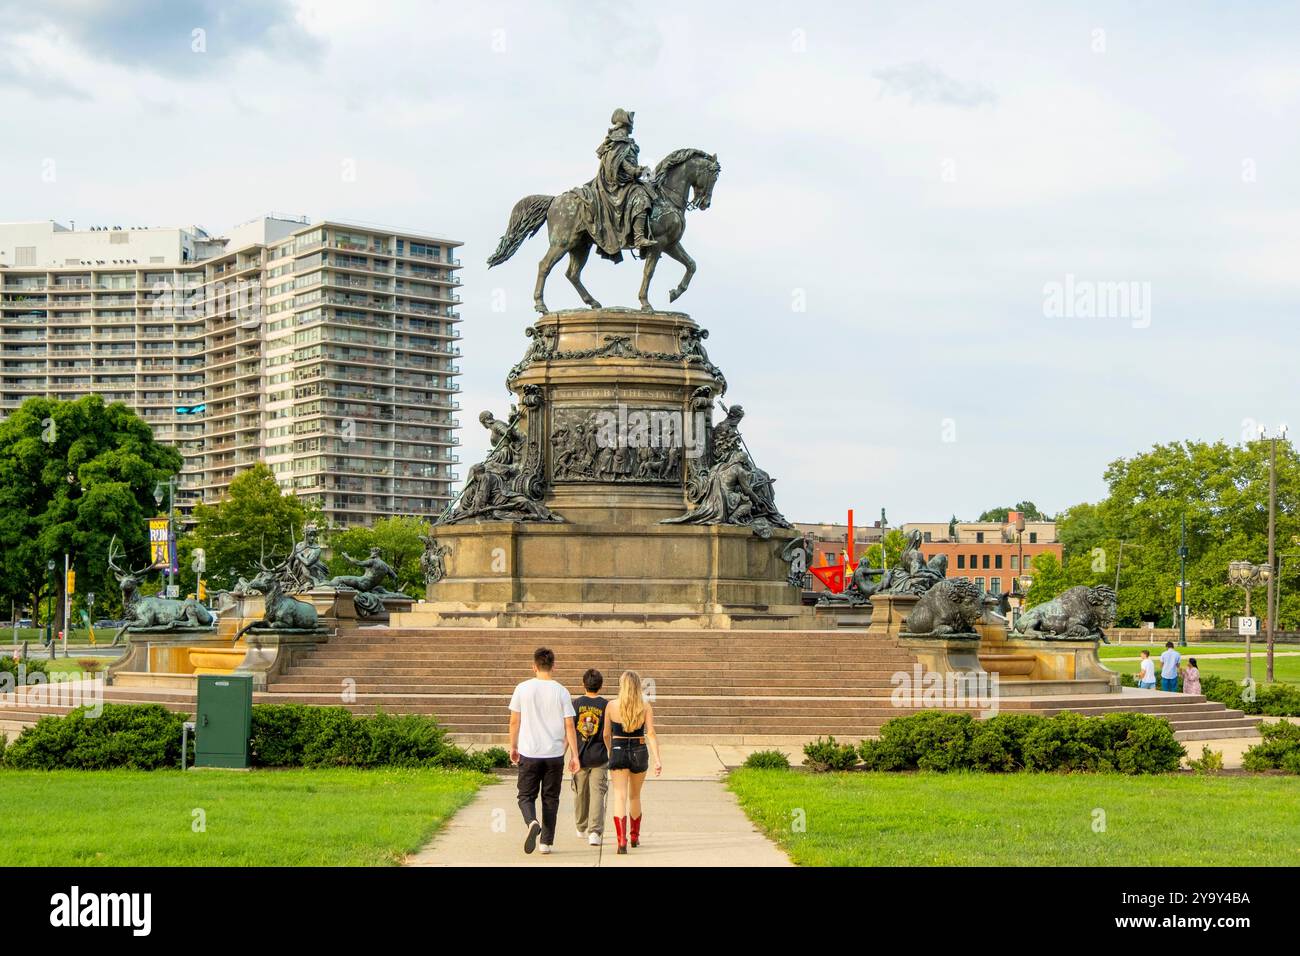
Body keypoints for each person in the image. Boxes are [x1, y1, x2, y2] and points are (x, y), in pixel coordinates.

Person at [509, 647, 579, 856]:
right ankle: (546, 843)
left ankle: (532, 821)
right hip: (554, 754)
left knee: (525, 796)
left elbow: (514, 721)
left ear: (534, 666)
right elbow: (569, 726)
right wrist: (575, 755)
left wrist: (513, 746)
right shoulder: (561, 691)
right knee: (551, 799)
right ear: (553, 666)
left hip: (529, 751)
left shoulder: (522, 688)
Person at [602, 670, 662, 855]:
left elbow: (605, 734)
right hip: (639, 749)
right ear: (637, 686)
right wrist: (657, 759)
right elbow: (650, 733)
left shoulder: (611, 706)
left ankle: (621, 841)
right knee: (635, 796)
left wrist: (610, 749)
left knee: (619, 796)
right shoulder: (645, 706)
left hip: (618, 748)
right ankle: (634, 836)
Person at [572, 668, 610, 847]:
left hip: (579, 755)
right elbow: (607, 733)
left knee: (580, 793)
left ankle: (581, 827)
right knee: (597, 793)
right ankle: (595, 832)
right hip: (600, 756)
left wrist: (568, 753)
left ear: (583, 684)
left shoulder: (576, 704)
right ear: (600, 686)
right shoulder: (606, 705)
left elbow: (570, 730)